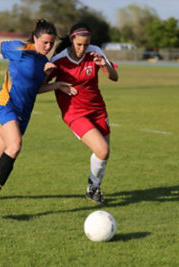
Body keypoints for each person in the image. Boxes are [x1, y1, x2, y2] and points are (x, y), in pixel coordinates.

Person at [0, 19, 76, 211]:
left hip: (23, 114)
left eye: (51, 43)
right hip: (5, 106)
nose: (48, 47)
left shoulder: (44, 62)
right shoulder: (20, 48)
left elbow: (34, 89)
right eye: (44, 42)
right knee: (15, 146)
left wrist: (55, 84)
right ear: (35, 38)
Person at [44, 22, 118, 205]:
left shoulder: (95, 51)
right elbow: (37, 86)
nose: (83, 48)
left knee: (104, 154)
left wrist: (104, 65)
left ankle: (93, 188)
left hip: (98, 109)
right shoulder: (58, 60)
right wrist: (57, 85)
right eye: (79, 45)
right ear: (71, 40)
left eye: (86, 44)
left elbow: (114, 77)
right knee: (102, 149)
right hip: (74, 112)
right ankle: (93, 187)